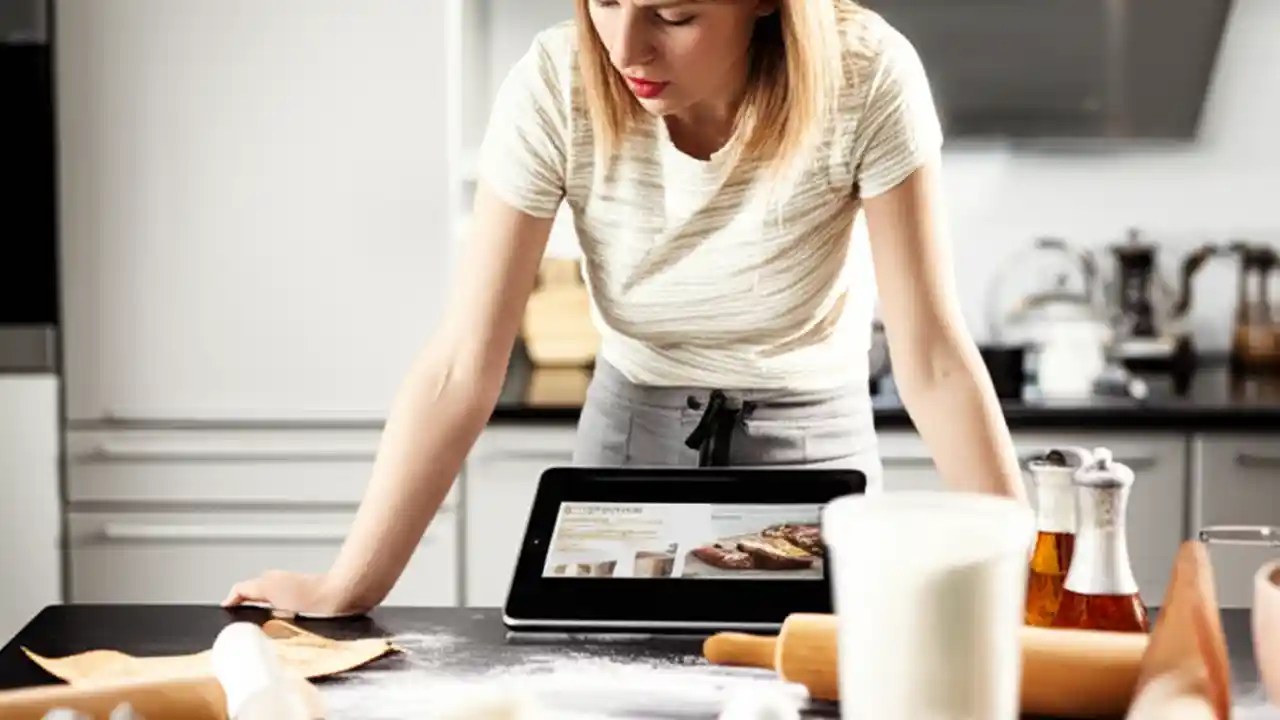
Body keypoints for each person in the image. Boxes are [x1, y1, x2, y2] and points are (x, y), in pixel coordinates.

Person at [224, 0, 1027, 617]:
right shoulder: (558, 81)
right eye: (604, 2)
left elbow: (934, 363)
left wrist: (1027, 581)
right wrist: (350, 585)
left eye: (673, 14)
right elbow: (463, 365)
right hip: (631, 430)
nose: (626, 49)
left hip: (815, 443)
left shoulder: (866, 75)